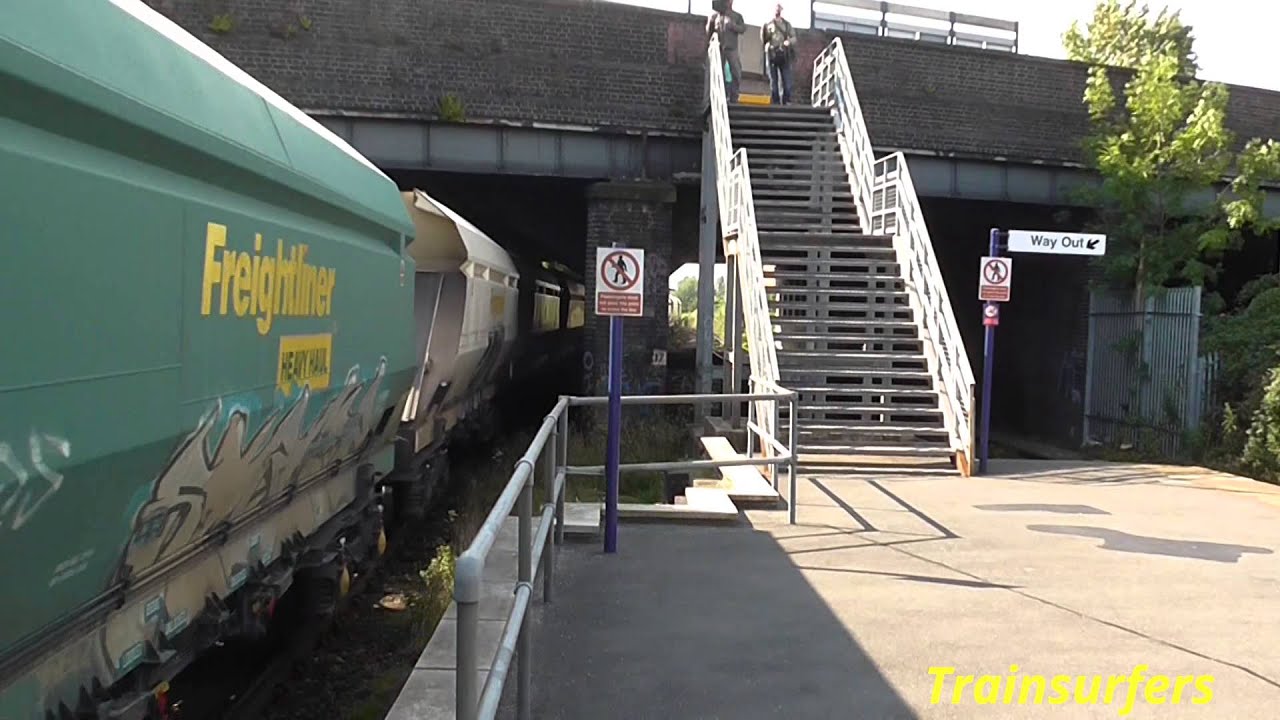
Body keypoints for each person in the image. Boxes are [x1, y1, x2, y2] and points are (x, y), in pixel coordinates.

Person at [706, 0, 745, 103]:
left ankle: (734, 96)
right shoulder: (716, 16)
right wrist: (710, 23)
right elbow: (709, 33)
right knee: (719, 73)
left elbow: (743, 29)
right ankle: (721, 96)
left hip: (732, 48)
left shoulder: (737, 16)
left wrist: (733, 26)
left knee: (736, 72)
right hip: (719, 48)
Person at [761, 3, 797, 105]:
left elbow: (794, 37)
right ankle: (775, 101)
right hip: (772, 54)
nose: (777, 12)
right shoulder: (768, 24)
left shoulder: (786, 25)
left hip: (783, 53)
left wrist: (788, 42)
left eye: (779, 10)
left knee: (787, 80)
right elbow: (764, 40)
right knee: (773, 80)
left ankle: (786, 100)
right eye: (776, 10)